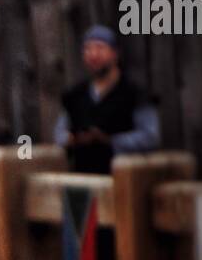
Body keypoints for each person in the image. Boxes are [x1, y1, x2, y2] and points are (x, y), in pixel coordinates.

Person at [54, 25, 161, 175]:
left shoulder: (135, 93)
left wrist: (109, 141)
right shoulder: (75, 96)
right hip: (84, 177)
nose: (93, 55)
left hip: (125, 179)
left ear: (114, 53)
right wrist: (73, 140)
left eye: (100, 48)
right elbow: (59, 134)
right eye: (88, 49)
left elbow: (150, 137)